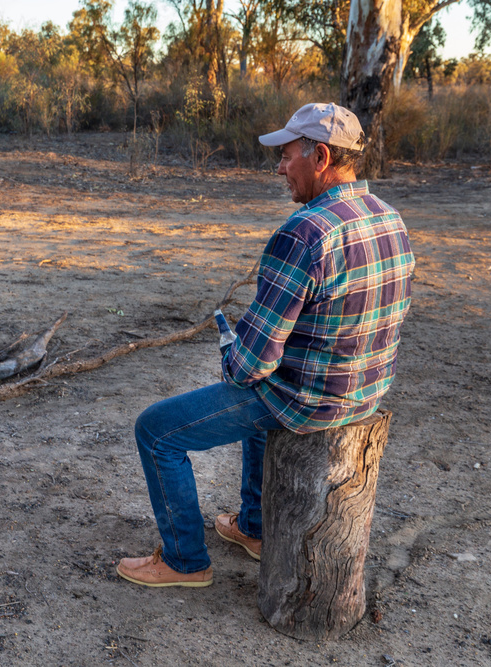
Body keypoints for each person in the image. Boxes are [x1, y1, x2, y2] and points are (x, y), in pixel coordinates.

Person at [116, 103, 415, 588]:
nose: (278, 168)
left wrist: (232, 357)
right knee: (261, 390)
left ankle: (184, 562)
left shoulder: (303, 233)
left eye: (285, 156)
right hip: (366, 390)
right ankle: (254, 529)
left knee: (156, 431)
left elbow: (251, 363)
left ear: (319, 156)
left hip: (310, 401)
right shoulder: (388, 217)